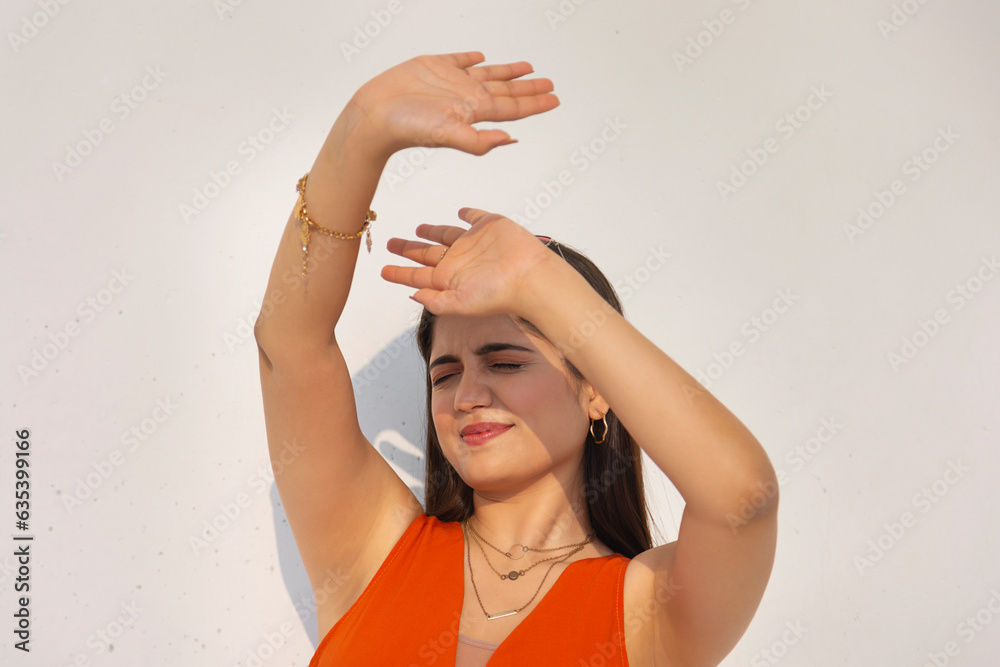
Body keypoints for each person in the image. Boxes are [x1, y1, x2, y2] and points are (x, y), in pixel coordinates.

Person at [253, 51, 779, 666]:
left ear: (596, 389)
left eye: (505, 361)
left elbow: (742, 498)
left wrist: (541, 282)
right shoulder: (375, 550)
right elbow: (288, 344)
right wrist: (362, 130)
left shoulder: (648, 611)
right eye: (444, 373)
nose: (467, 393)